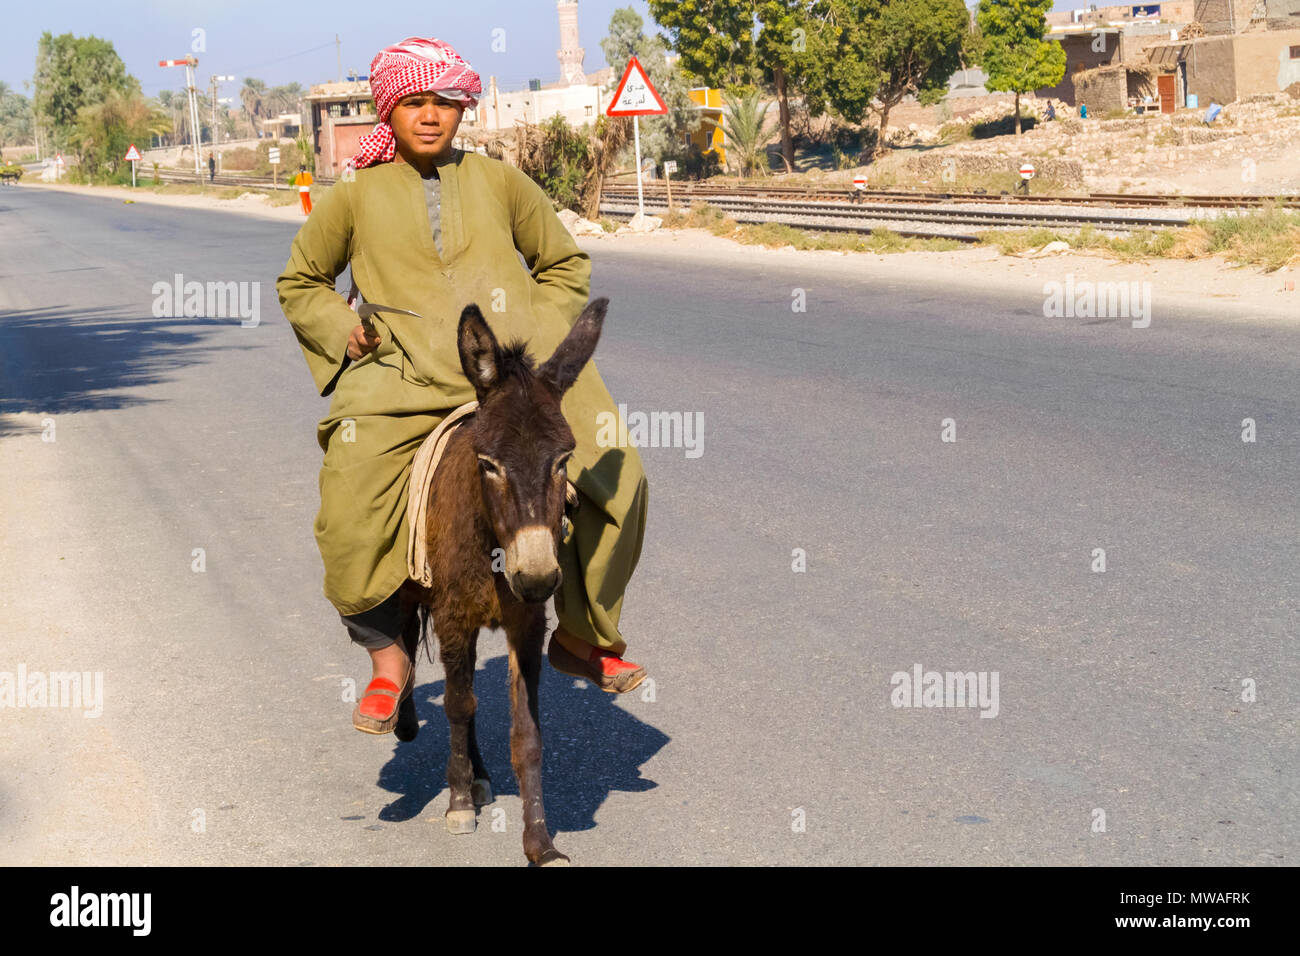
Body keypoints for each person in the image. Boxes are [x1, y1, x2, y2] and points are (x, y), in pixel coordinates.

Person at [277, 36, 650, 736]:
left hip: (512, 378)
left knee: (619, 473)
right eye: (414, 102)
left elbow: (563, 264)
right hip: (403, 376)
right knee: (347, 506)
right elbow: (301, 281)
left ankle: (582, 633)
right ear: (389, 108)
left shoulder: (501, 181)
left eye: (444, 102)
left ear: (462, 107)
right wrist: (344, 330)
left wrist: (536, 339)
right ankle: (388, 661)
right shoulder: (354, 193)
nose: (429, 115)